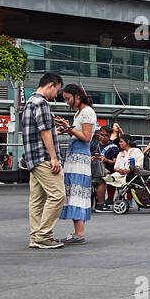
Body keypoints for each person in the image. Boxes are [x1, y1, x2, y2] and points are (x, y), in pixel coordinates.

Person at [22, 73, 65, 250]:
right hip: (44, 158)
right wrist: (54, 157)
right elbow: (44, 131)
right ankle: (43, 235)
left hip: (32, 158)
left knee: (37, 199)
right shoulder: (41, 103)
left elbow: (41, 131)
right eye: (57, 90)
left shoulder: (29, 102)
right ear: (51, 85)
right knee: (58, 195)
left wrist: (57, 132)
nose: (57, 95)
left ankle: (35, 236)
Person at [57, 84, 96, 244]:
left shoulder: (86, 112)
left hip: (80, 156)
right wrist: (67, 130)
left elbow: (87, 137)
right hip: (75, 155)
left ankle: (79, 233)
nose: (67, 102)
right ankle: (77, 232)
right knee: (74, 191)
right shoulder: (80, 113)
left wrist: (69, 130)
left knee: (77, 191)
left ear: (77, 96)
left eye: (68, 98)